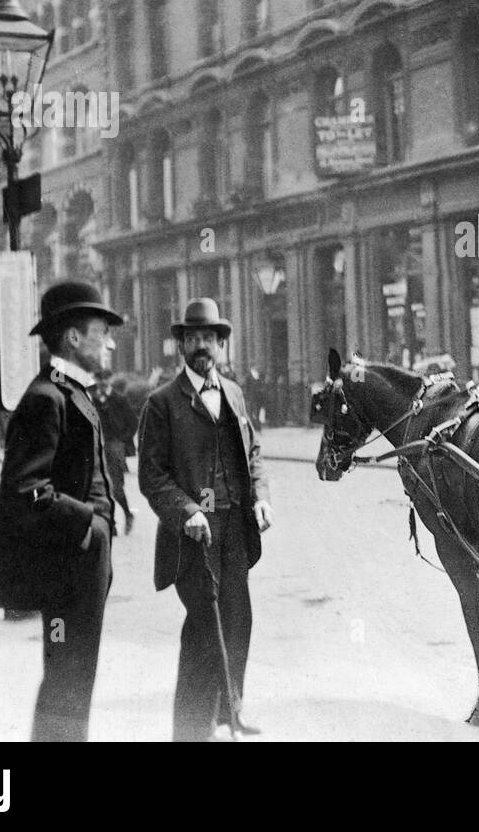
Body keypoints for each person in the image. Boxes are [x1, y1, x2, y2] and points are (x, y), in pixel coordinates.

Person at [0, 280, 123, 742]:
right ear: (73, 338)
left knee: (74, 681)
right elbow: (29, 489)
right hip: (66, 569)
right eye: (102, 332)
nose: (110, 343)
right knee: (66, 682)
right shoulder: (46, 399)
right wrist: (91, 525)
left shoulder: (69, 392)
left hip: (80, 567)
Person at [138, 297, 273, 742]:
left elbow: (252, 452)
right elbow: (152, 475)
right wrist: (187, 510)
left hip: (235, 527)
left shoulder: (233, 392)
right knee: (202, 624)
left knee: (238, 619)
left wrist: (260, 497)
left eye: (209, 338)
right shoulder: (162, 403)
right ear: (181, 345)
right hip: (194, 536)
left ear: (220, 344)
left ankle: (230, 713)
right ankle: (190, 730)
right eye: (193, 338)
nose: (202, 346)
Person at [92, 370, 139, 534]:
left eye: (106, 378)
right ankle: (110, 523)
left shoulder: (119, 399)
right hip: (98, 446)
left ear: (110, 380)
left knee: (116, 487)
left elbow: (133, 422)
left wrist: (122, 439)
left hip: (114, 446)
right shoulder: (92, 398)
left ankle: (127, 513)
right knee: (101, 487)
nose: (103, 382)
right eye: (99, 378)